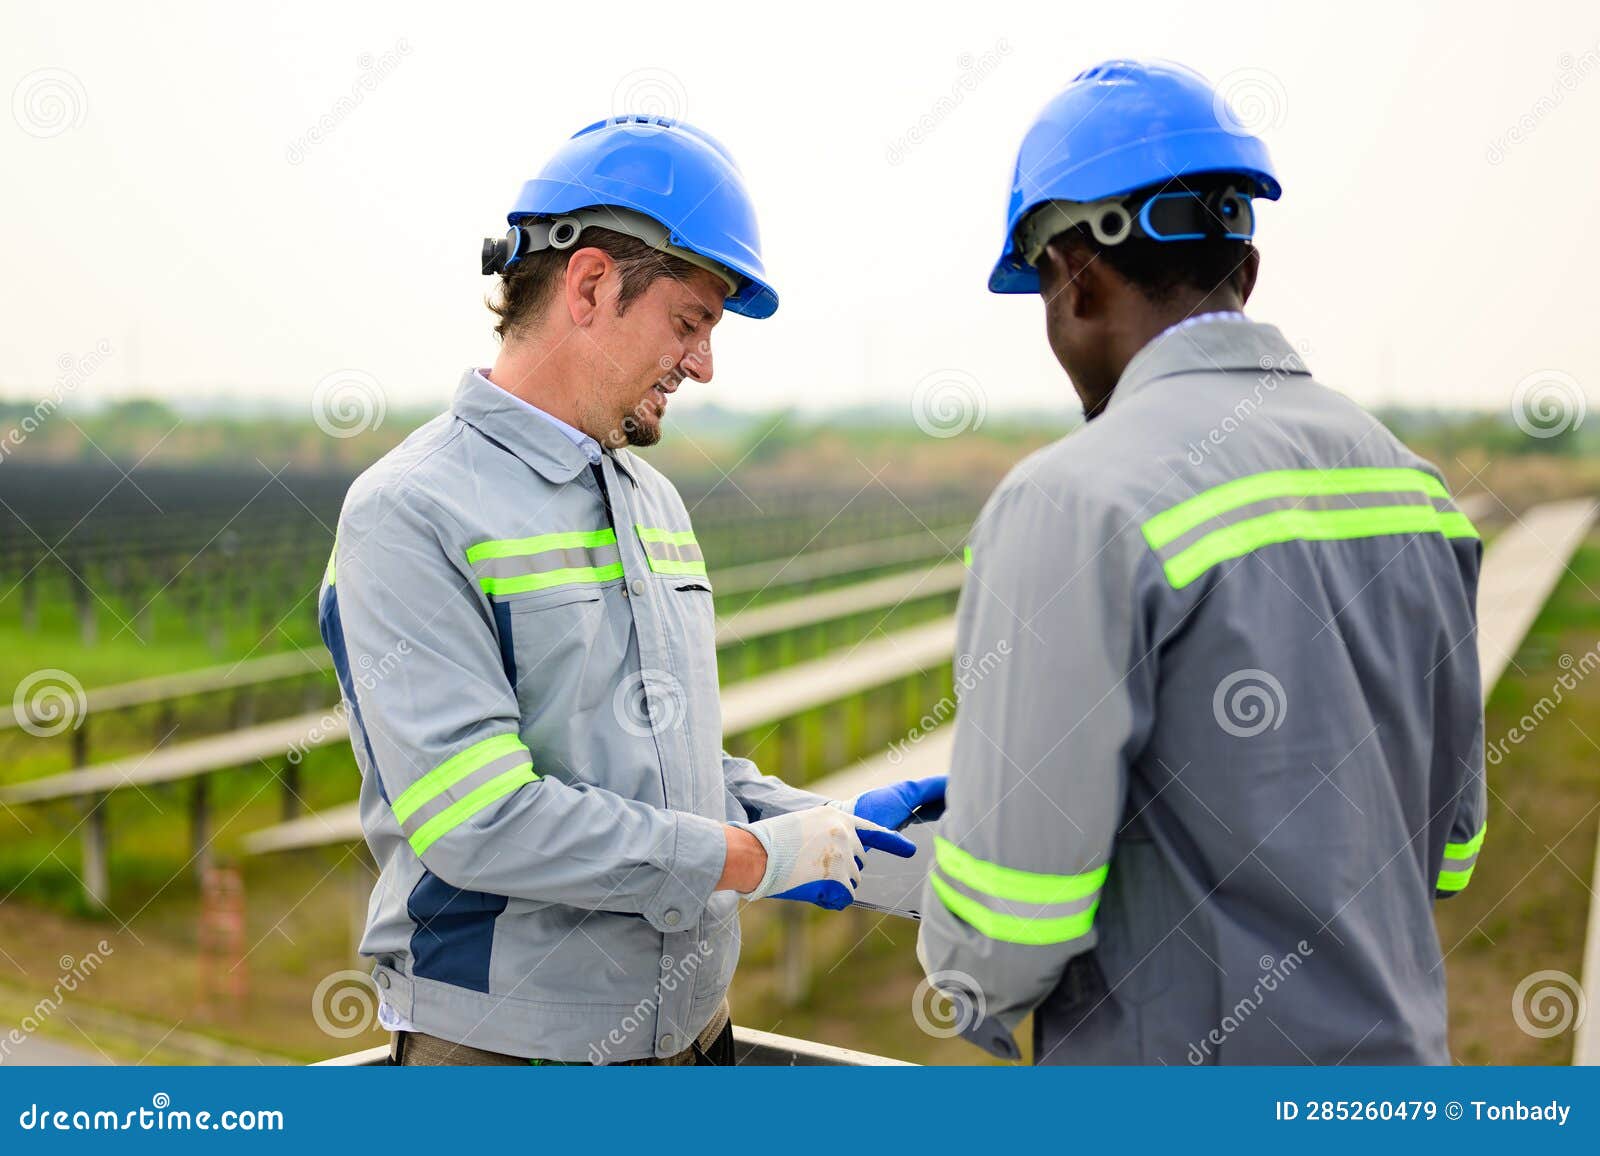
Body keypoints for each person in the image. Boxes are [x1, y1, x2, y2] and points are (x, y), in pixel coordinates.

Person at [320, 115, 944, 1065]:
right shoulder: (410, 511)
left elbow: (670, 769)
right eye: (689, 324)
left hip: (694, 1037)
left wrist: (826, 831)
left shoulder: (651, 502)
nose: (703, 364)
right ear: (590, 286)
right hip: (514, 1058)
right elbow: (478, 820)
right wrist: (756, 861)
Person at [917, 60, 1485, 1065]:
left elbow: (1010, 924)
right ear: (1245, 273)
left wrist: (960, 908)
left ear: (1075, 277)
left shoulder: (1075, 500)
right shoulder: (1413, 488)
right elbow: (1450, 845)